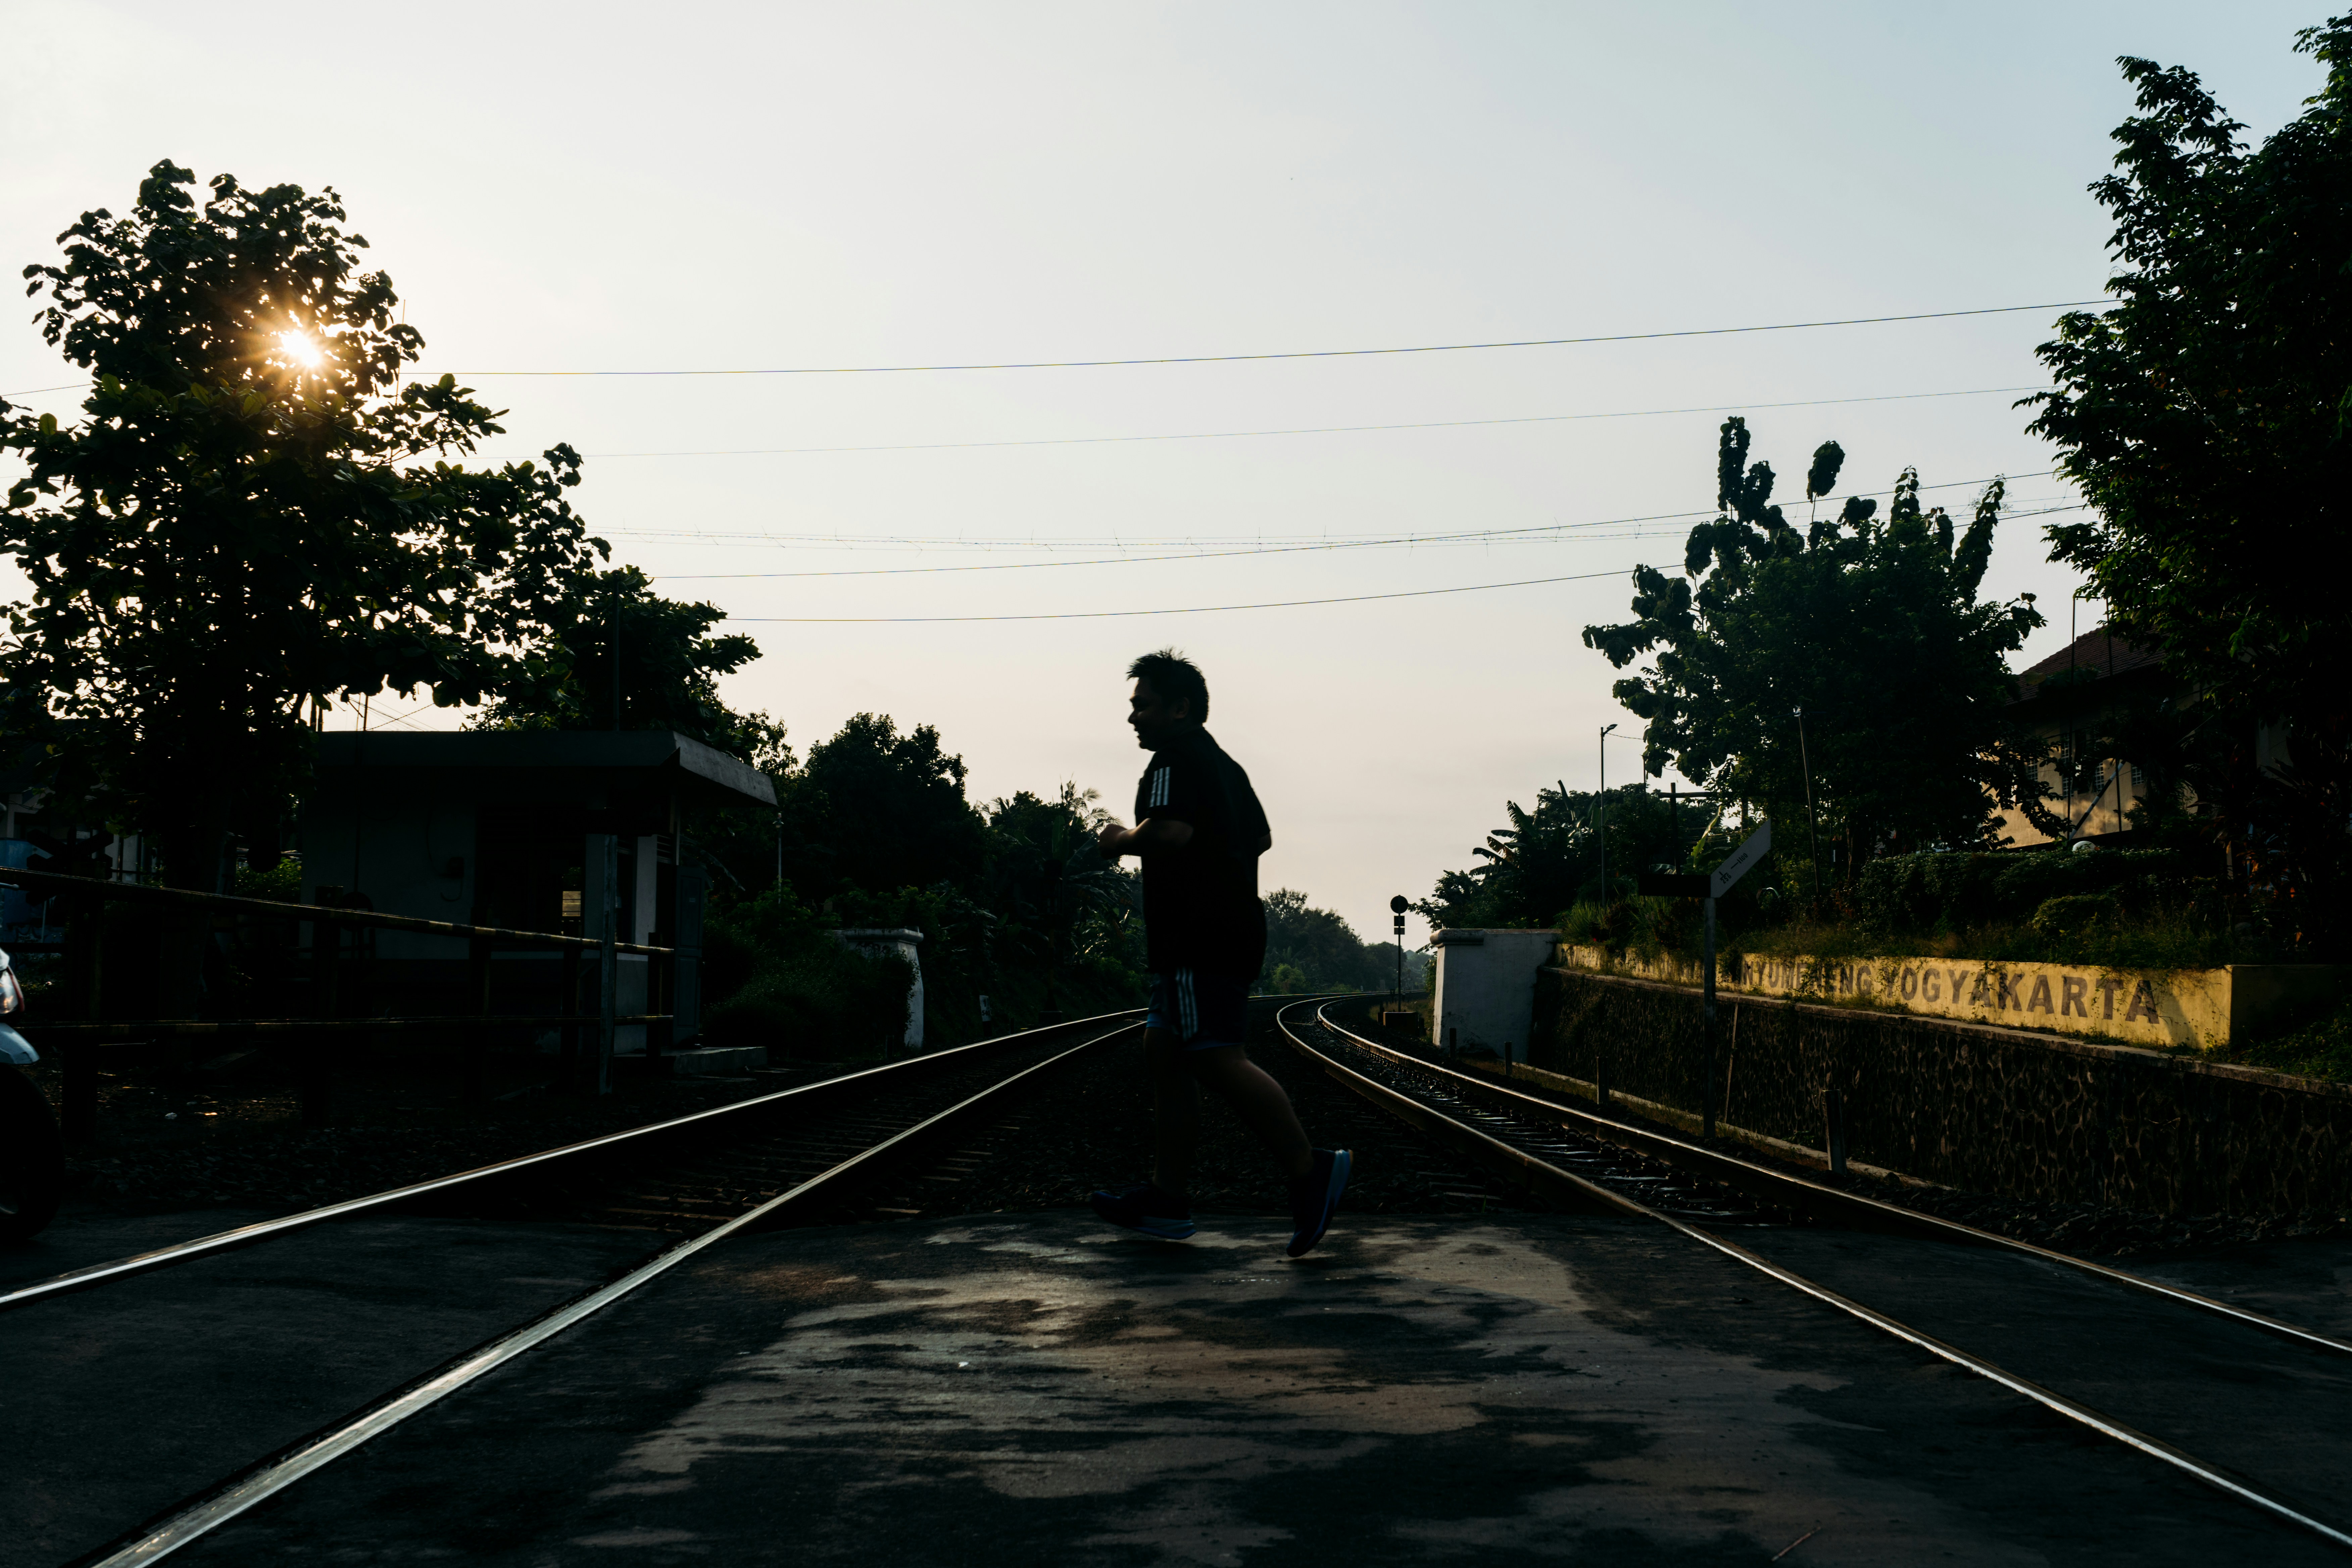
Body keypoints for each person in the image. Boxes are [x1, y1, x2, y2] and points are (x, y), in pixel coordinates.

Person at [1088, 649, 1351, 1258]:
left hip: (1195, 939)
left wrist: (1117, 841)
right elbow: (1260, 838)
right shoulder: (1226, 767)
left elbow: (1171, 832)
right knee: (1166, 1050)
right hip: (1227, 930)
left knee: (1213, 1056)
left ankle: (1310, 1173)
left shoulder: (1172, 760)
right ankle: (1167, 1198)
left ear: (1180, 708)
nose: (1134, 719)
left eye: (1143, 706)